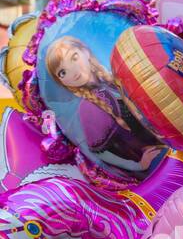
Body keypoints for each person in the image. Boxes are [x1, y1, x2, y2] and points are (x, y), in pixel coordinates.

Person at [44, 35, 164, 171]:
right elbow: (101, 153)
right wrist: (138, 166)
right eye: (62, 72)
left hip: (165, 138)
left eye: (74, 57)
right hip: (152, 157)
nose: (73, 70)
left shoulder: (111, 80)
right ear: (62, 82)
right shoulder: (87, 107)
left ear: (85, 52)